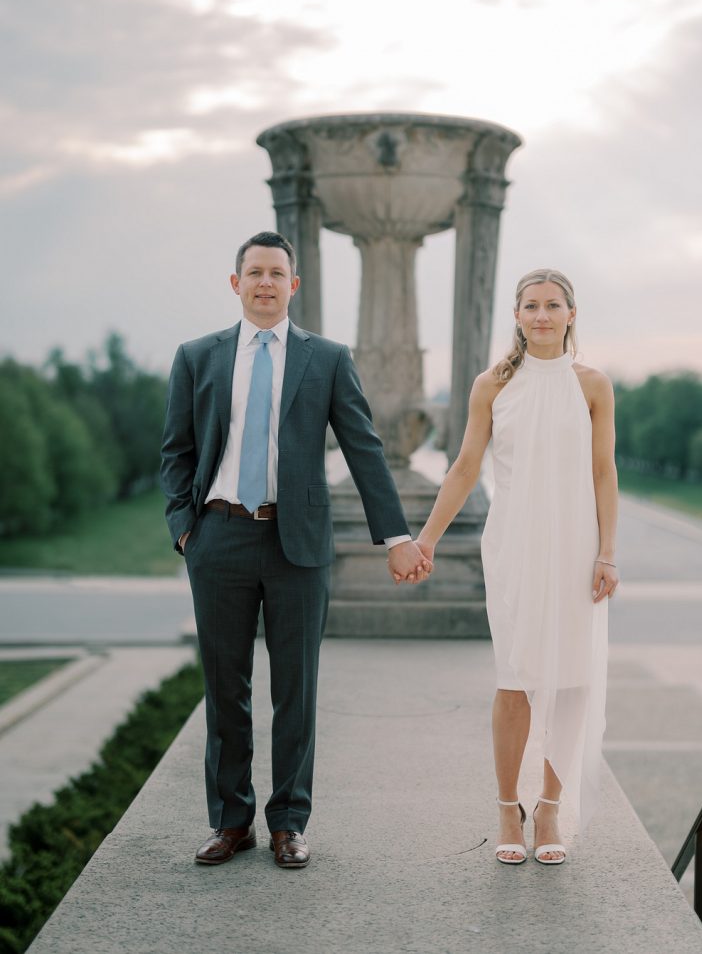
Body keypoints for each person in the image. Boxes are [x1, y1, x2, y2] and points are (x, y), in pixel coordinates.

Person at [161, 231, 431, 869]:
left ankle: (288, 822)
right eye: (254, 272)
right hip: (219, 537)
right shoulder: (197, 356)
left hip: (298, 545)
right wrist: (185, 528)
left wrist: (397, 536)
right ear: (236, 283)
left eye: (276, 273)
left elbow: (364, 447)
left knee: (296, 691)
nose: (265, 283)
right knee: (225, 688)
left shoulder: (327, 358)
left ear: (293, 285)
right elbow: (177, 450)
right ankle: (232, 822)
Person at [416, 268, 618, 865]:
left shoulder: (593, 385)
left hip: (577, 546)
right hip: (514, 546)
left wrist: (607, 552)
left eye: (553, 305)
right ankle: (509, 806)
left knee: (571, 678)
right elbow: (463, 469)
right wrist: (426, 541)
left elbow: (603, 472)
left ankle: (550, 807)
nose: (542, 316)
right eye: (531, 306)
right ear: (517, 315)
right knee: (515, 678)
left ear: (571, 314)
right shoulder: (492, 385)